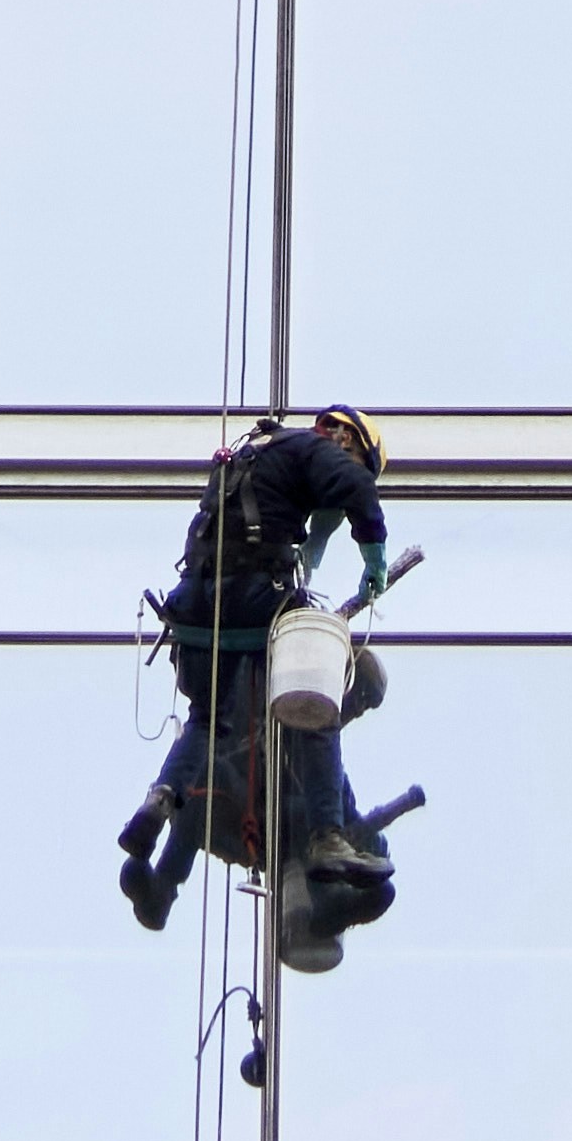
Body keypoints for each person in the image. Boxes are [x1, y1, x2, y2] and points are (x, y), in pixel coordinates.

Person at [117, 407, 405, 951]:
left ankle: (158, 803)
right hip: (252, 600)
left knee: (208, 719)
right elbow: (354, 493)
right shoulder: (318, 450)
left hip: (196, 609)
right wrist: (374, 556)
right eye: (360, 461)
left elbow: (309, 530)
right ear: (344, 437)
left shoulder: (256, 454)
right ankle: (326, 836)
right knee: (313, 705)